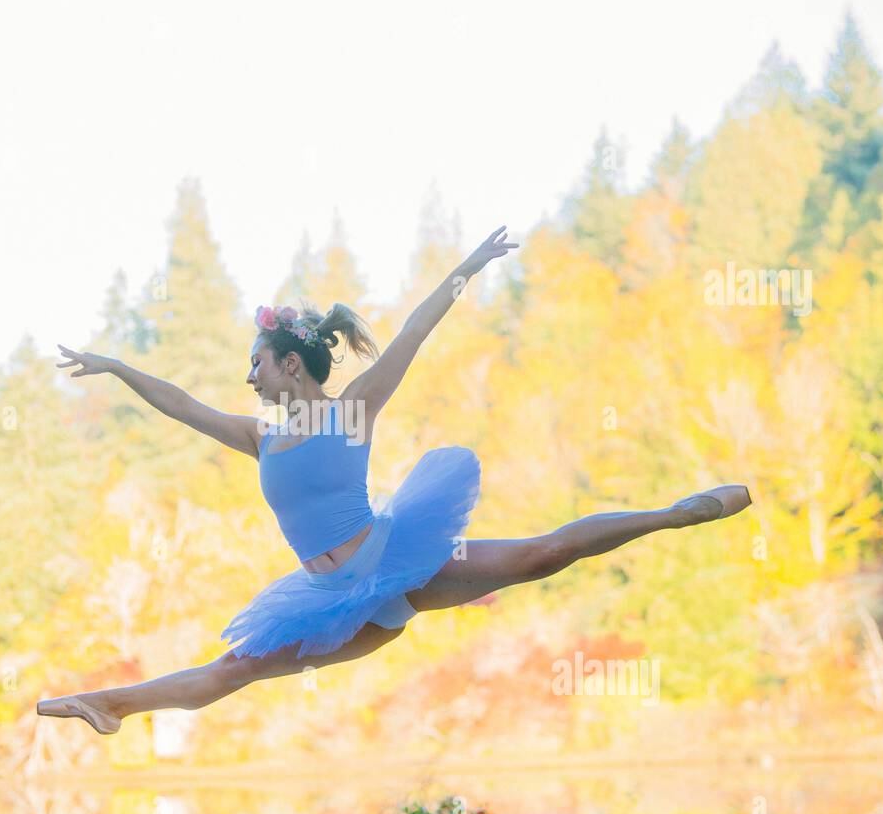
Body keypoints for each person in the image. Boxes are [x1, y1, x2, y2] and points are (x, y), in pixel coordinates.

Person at [38, 226, 750, 734]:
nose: (247, 374)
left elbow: (414, 329)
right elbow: (183, 404)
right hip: (323, 604)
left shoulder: (352, 412)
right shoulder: (260, 436)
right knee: (231, 672)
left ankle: (673, 514)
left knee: (537, 555)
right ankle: (109, 703)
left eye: (256, 360)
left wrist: (468, 265)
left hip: (397, 560)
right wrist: (120, 368)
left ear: (292, 364)